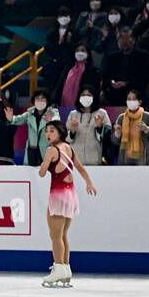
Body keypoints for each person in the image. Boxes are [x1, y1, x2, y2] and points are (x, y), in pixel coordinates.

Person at [37, 122, 97, 288]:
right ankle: (65, 269)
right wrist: (89, 183)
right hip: (70, 194)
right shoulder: (68, 148)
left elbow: (42, 173)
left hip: (57, 195)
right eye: (47, 131)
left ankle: (58, 269)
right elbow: (79, 167)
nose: (48, 134)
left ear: (60, 133)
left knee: (55, 235)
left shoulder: (51, 150)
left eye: (52, 131)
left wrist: (45, 161)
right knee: (62, 234)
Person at [9, 90, 60, 166]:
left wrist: (51, 122)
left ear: (47, 100)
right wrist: (10, 119)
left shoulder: (52, 112)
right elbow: (17, 120)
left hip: (46, 149)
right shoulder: (30, 113)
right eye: (37, 98)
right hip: (31, 151)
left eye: (42, 98)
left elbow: (57, 122)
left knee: (47, 174)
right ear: (34, 101)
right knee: (31, 175)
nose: (40, 101)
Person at [112, 90, 149, 166]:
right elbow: (114, 141)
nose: (131, 101)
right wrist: (117, 134)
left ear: (140, 102)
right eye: (129, 99)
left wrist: (147, 129)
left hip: (144, 161)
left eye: (134, 99)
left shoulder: (147, 116)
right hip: (125, 161)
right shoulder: (121, 117)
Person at [65, 87, 109, 166]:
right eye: (83, 95)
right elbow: (66, 138)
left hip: (94, 160)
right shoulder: (73, 114)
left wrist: (100, 127)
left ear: (94, 97)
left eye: (89, 95)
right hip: (75, 161)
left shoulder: (102, 113)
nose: (86, 97)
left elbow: (108, 136)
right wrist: (72, 132)